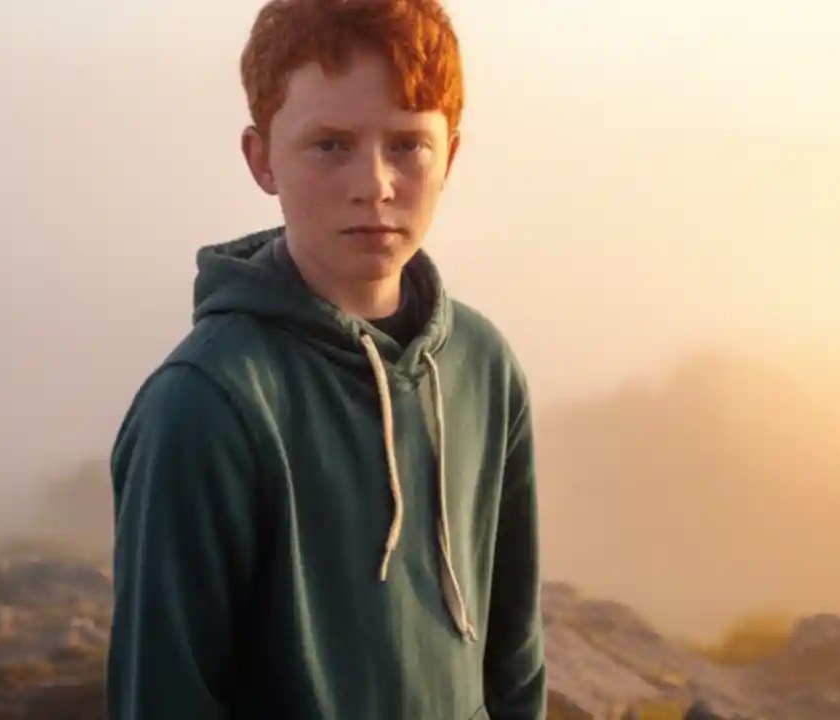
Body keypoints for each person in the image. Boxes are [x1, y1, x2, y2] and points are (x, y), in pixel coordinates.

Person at [106, 0, 546, 717]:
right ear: (261, 159)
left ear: (452, 156)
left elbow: (515, 657)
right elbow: (163, 694)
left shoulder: (483, 365)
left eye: (407, 144)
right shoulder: (205, 405)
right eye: (332, 145)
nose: (373, 183)